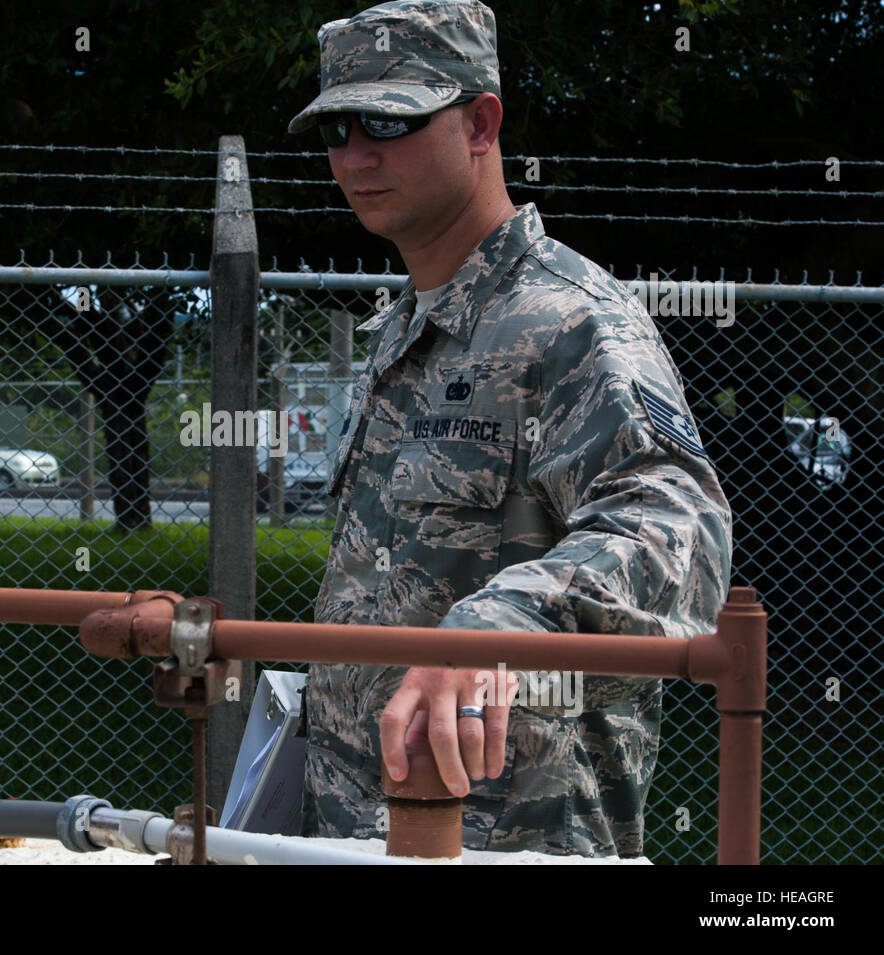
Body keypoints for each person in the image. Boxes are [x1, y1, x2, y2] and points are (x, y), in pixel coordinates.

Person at [286, 0, 733, 857]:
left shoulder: (571, 321)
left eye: (389, 118)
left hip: (511, 837)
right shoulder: (402, 330)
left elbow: (681, 530)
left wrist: (499, 629)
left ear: (482, 122)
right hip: (359, 830)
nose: (356, 155)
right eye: (336, 128)